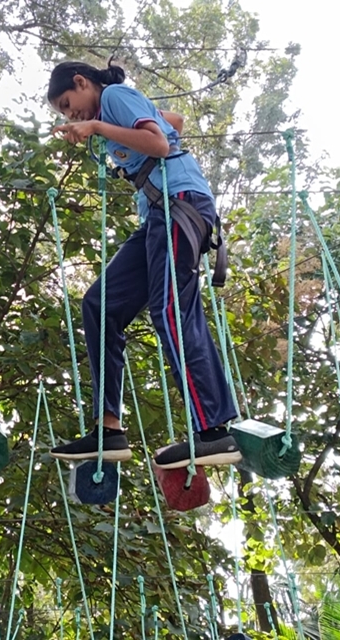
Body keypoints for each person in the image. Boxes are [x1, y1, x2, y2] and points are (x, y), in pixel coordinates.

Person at [46, 60, 241, 469]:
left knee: (169, 309)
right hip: (158, 214)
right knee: (100, 305)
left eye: (69, 104)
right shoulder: (116, 107)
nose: (72, 115)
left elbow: (160, 145)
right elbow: (174, 122)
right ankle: (108, 428)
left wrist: (97, 127)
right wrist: (128, 121)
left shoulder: (113, 97)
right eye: (64, 114)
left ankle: (214, 431)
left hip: (179, 204)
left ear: (83, 82)